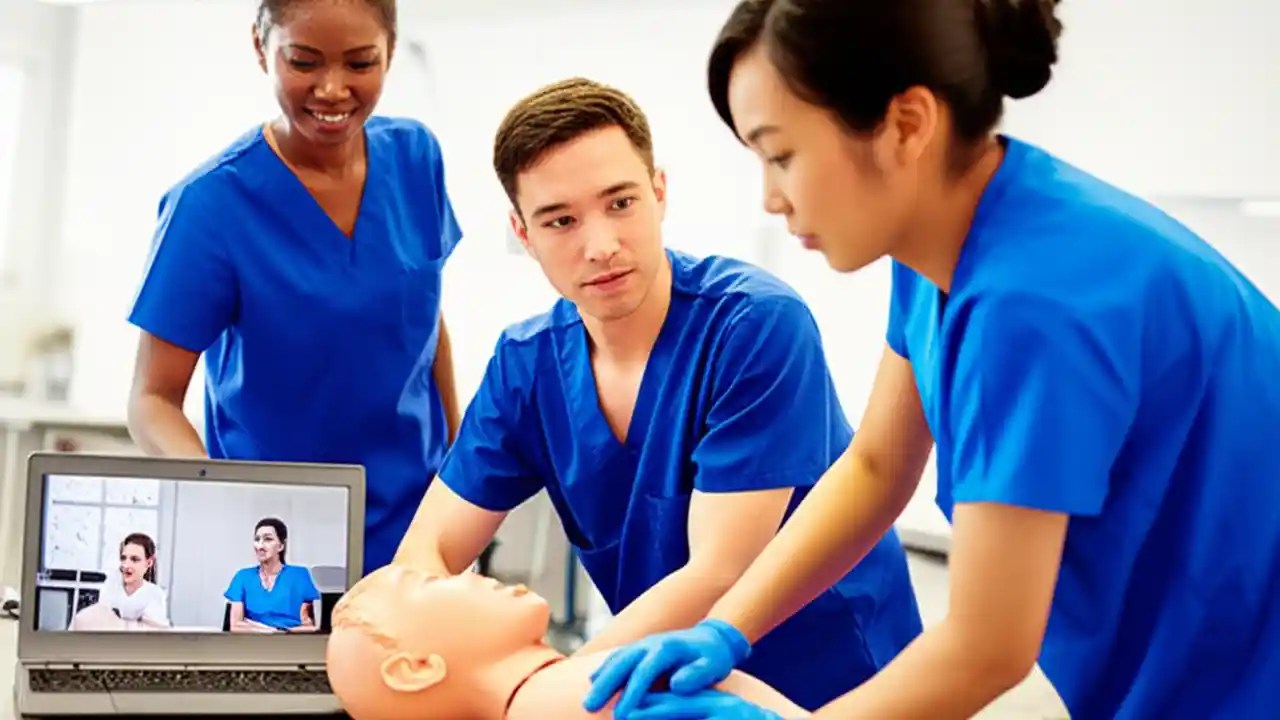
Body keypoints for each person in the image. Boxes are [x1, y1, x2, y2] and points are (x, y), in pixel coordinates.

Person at [583, 0, 1280, 718]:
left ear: (907, 125)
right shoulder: (948, 243)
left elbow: (987, 647)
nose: (771, 199)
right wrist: (727, 627)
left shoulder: (1032, 300)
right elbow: (876, 467)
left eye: (781, 155)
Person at [393, 77, 922, 712]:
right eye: (560, 220)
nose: (601, 246)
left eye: (620, 203)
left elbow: (718, 571)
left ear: (659, 192)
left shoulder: (754, 326)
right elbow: (426, 556)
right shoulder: (526, 366)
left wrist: (541, 697)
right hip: (661, 682)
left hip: (835, 680)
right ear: (523, 233)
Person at [124, 0, 463, 575]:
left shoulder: (415, 157)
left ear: (389, 53)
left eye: (360, 63)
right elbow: (151, 400)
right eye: (304, 62)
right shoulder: (210, 205)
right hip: (276, 539)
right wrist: (220, 501)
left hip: (419, 535)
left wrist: (460, 476)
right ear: (262, 49)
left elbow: (427, 324)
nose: (332, 89)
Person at [324, 565, 808, 719]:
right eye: (432, 582)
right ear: (416, 668)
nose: (467, 575)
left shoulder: (555, 693)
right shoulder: (570, 699)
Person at [224, 517, 321, 633]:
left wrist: (278, 632)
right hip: (252, 641)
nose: (260, 546)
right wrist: (270, 631)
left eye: (268, 539)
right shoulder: (242, 577)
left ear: (281, 546)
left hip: (291, 641)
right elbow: (236, 626)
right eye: (257, 539)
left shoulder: (299, 575)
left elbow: (309, 626)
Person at [72, 532, 170, 631]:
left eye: (135, 559)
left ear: (148, 563)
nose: (126, 565)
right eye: (123, 558)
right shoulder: (111, 585)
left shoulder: (154, 594)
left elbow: (155, 632)